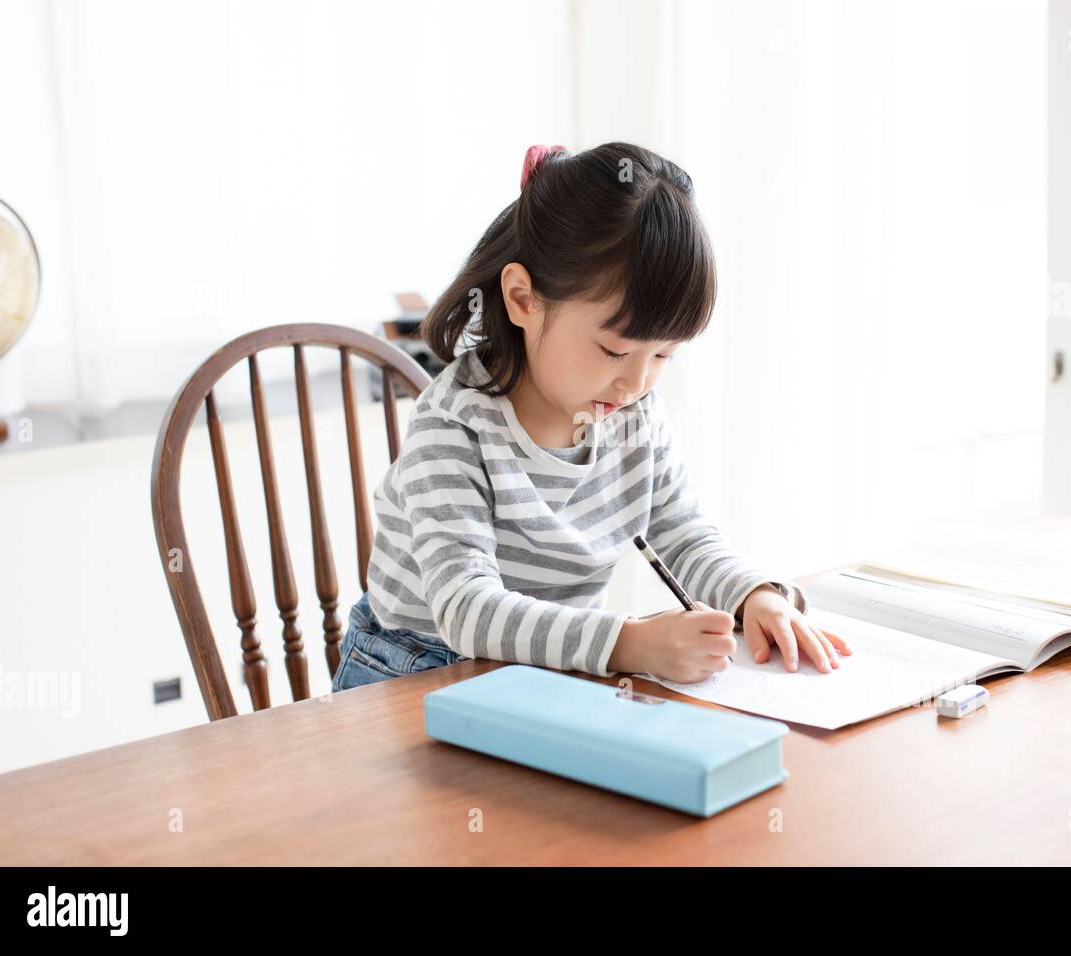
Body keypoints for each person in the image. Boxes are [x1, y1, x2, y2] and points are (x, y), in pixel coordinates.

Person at [332, 142, 849, 692]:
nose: (637, 383)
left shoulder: (631, 411)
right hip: (415, 670)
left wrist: (753, 596)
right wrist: (631, 642)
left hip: (545, 669)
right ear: (522, 299)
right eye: (614, 351)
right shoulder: (455, 425)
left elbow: (681, 530)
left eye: (663, 356)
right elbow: (466, 610)